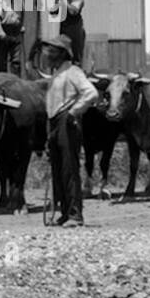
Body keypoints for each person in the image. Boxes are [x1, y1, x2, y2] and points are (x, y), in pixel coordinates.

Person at [41, 33, 97, 227]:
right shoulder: (57, 73)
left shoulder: (73, 71)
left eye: (51, 50)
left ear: (62, 53)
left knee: (69, 168)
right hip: (55, 121)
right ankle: (64, 212)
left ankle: (75, 215)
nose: (47, 53)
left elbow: (91, 93)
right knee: (58, 169)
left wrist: (74, 111)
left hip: (67, 120)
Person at [54, 0, 86, 65]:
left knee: (76, 58)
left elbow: (74, 11)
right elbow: (54, 13)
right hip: (64, 28)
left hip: (75, 29)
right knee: (64, 56)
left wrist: (64, 2)